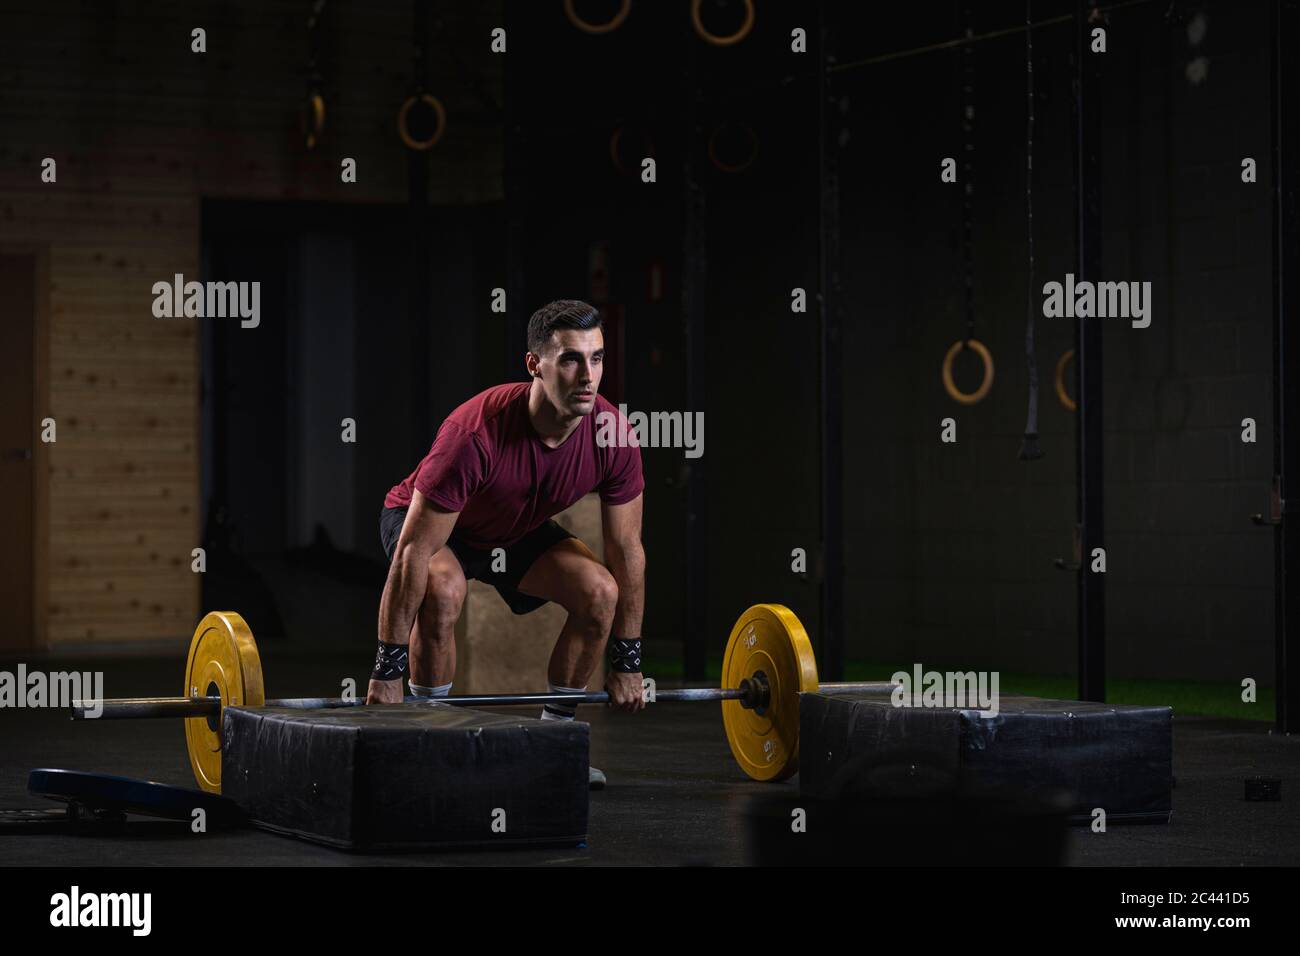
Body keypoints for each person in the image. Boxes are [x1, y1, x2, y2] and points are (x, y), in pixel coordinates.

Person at [368, 299, 646, 789]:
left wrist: (627, 661)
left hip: (514, 530)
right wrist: (387, 669)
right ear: (534, 365)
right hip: (431, 526)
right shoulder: (475, 433)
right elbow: (414, 550)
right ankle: (429, 736)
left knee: (600, 591)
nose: (587, 375)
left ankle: (555, 742)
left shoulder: (613, 436)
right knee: (444, 590)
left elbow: (626, 551)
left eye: (597, 358)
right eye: (570, 359)